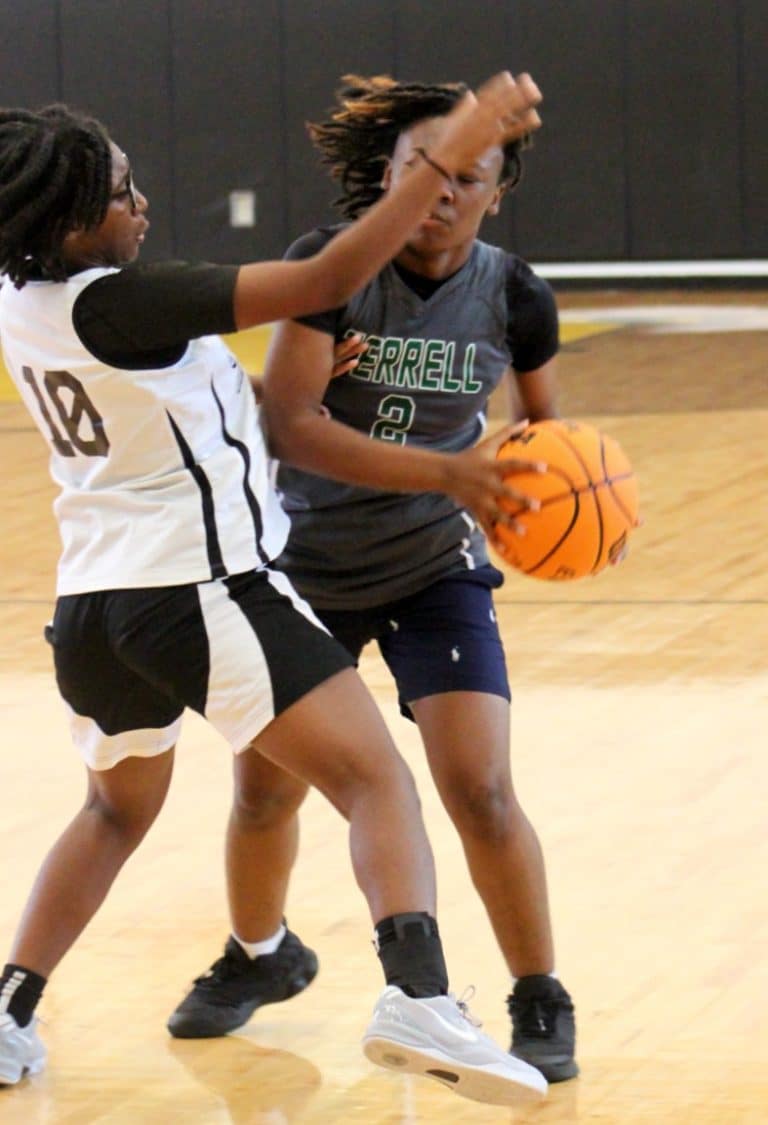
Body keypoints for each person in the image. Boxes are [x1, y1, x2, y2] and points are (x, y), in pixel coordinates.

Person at [0, 78, 553, 1107]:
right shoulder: (126, 297)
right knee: (377, 783)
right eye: (122, 192)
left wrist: (265, 389)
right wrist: (450, 152)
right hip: (198, 592)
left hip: (92, 612)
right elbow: (335, 269)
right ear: (71, 222)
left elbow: (167, 400)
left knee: (113, 814)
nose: (143, 204)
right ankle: (420, 999)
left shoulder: (23, 300)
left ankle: (6, 1011)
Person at [170, 74, 579, 1084]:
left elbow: (546, 437)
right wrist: (456, 470)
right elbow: (291, 424)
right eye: (417, 173)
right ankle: (259, 954)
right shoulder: (332, 269)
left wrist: (572, 504)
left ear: (497, 188)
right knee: (265, 795)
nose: (438, 193)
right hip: (301, 562)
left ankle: (539, 994)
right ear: (389, 180)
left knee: (480, 788)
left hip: (431, 564)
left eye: (464, 176)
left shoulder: (516, 294)